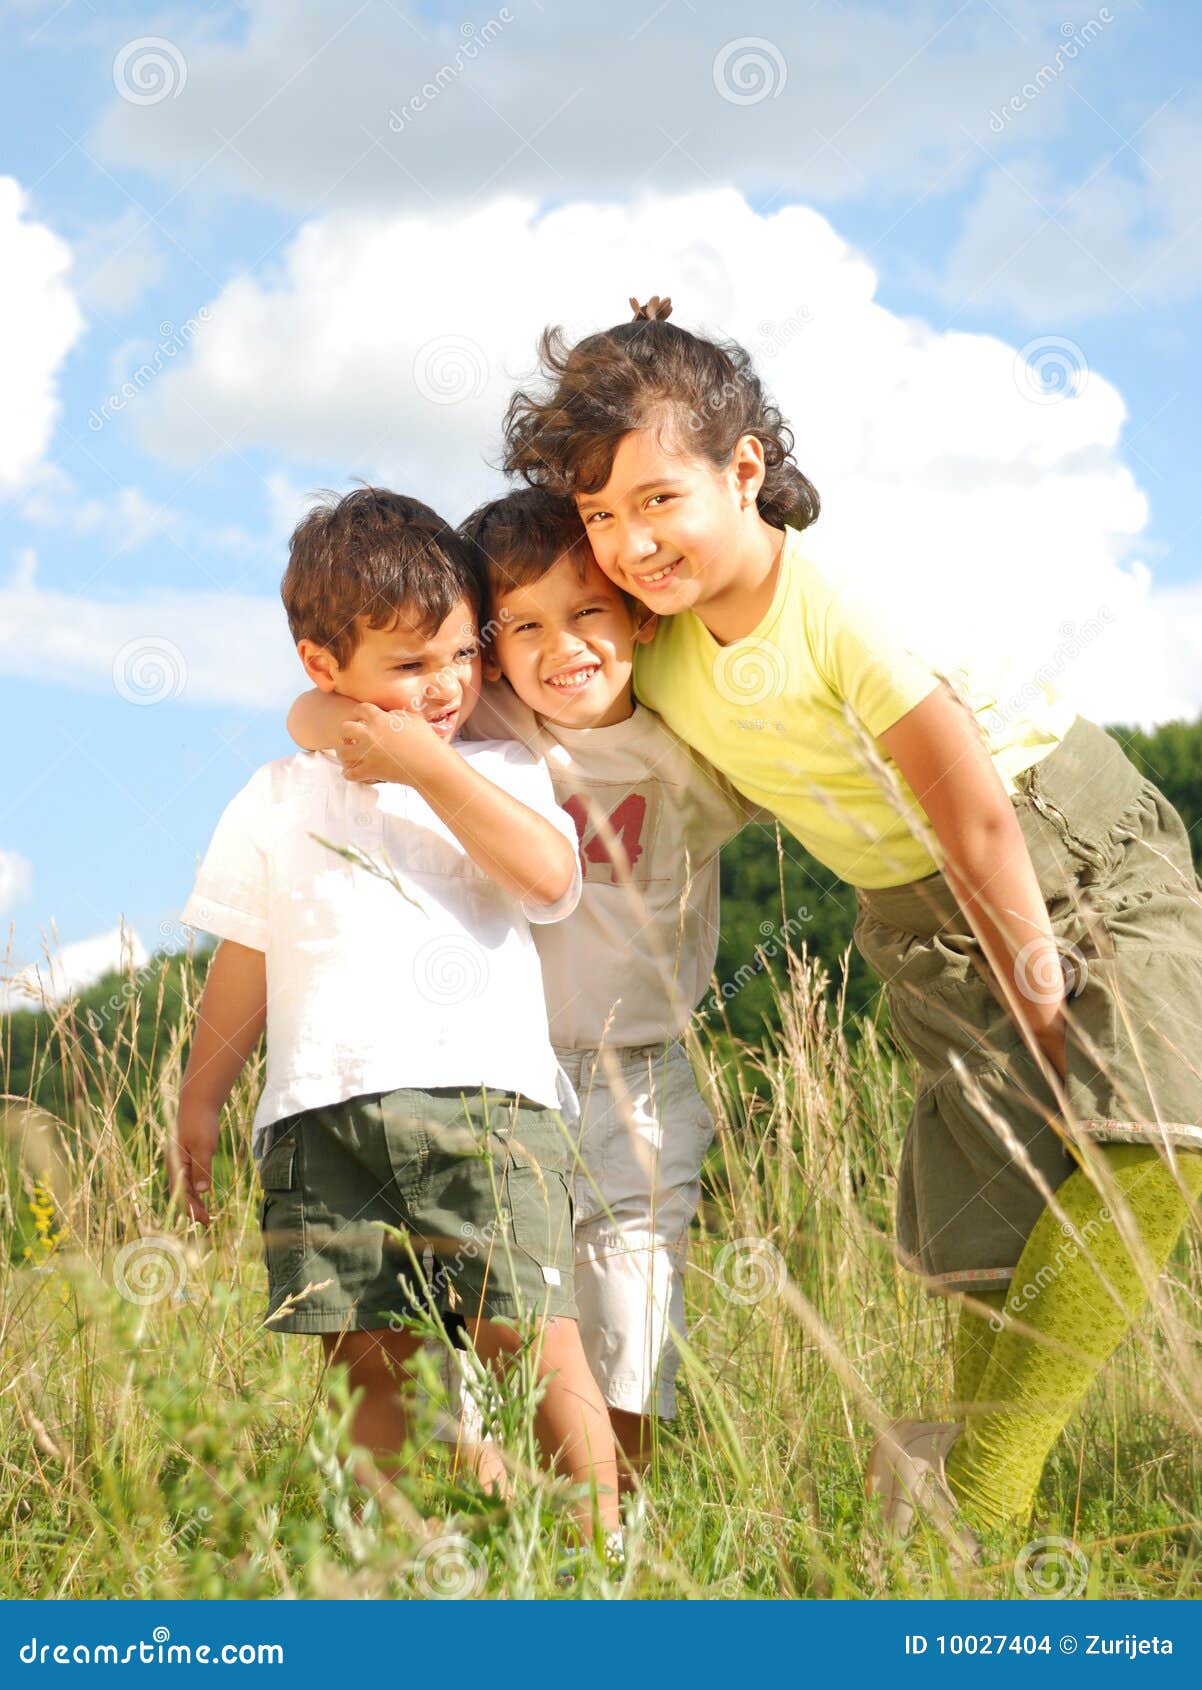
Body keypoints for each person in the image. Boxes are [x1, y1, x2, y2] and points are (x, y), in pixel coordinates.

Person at [497, 295, 1202, 1544]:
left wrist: (1037, 989)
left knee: (1158, 1136)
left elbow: (976, 814)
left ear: (744, 469)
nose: (630, 543)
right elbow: (523, 645)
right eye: (602, 516)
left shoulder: (835, 603)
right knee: (1007, 1222)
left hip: (1056, 853)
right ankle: (936, 1494)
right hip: (915, 920)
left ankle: (974, 1494)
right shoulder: (650, 647)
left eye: (658, 499)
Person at [169, 487, 621, 1551]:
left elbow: (550, 878)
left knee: (537, 1341)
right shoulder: (278, 792)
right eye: (408, 667)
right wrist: (202, 1098)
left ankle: (606, 1557)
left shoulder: (500, 765)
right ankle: (406, 1571)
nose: (447, 687)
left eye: (462, 656)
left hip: (485, 1107)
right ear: (323, 668)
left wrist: (426, 762)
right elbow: (246, 952)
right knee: (367, 1368)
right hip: (319, 1116)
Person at [287, 484, 759, 1484]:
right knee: (490, 1322)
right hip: (495, 1081)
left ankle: (610, 1532)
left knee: (629, 1319)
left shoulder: (689, 752)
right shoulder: (491, 724)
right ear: (489, 650)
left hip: (637, 1081)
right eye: (525, 626)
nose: (563, 647)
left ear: (635, 615)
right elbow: (318, 709)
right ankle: (499, 1515)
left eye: (587, 611)